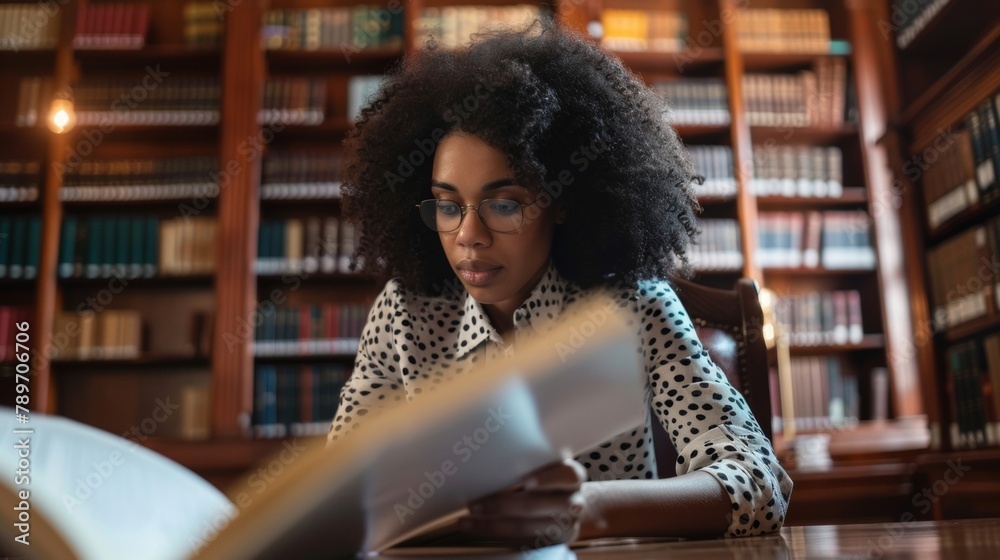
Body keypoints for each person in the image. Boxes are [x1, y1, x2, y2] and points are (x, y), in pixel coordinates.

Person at [328, 20, 792, 546]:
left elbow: (758, 482)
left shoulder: (632, 307)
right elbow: (340, 493)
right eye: (449, 205)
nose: (469, 236)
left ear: (564, 203)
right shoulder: (403, 314)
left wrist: (586, 510)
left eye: (505, 204)